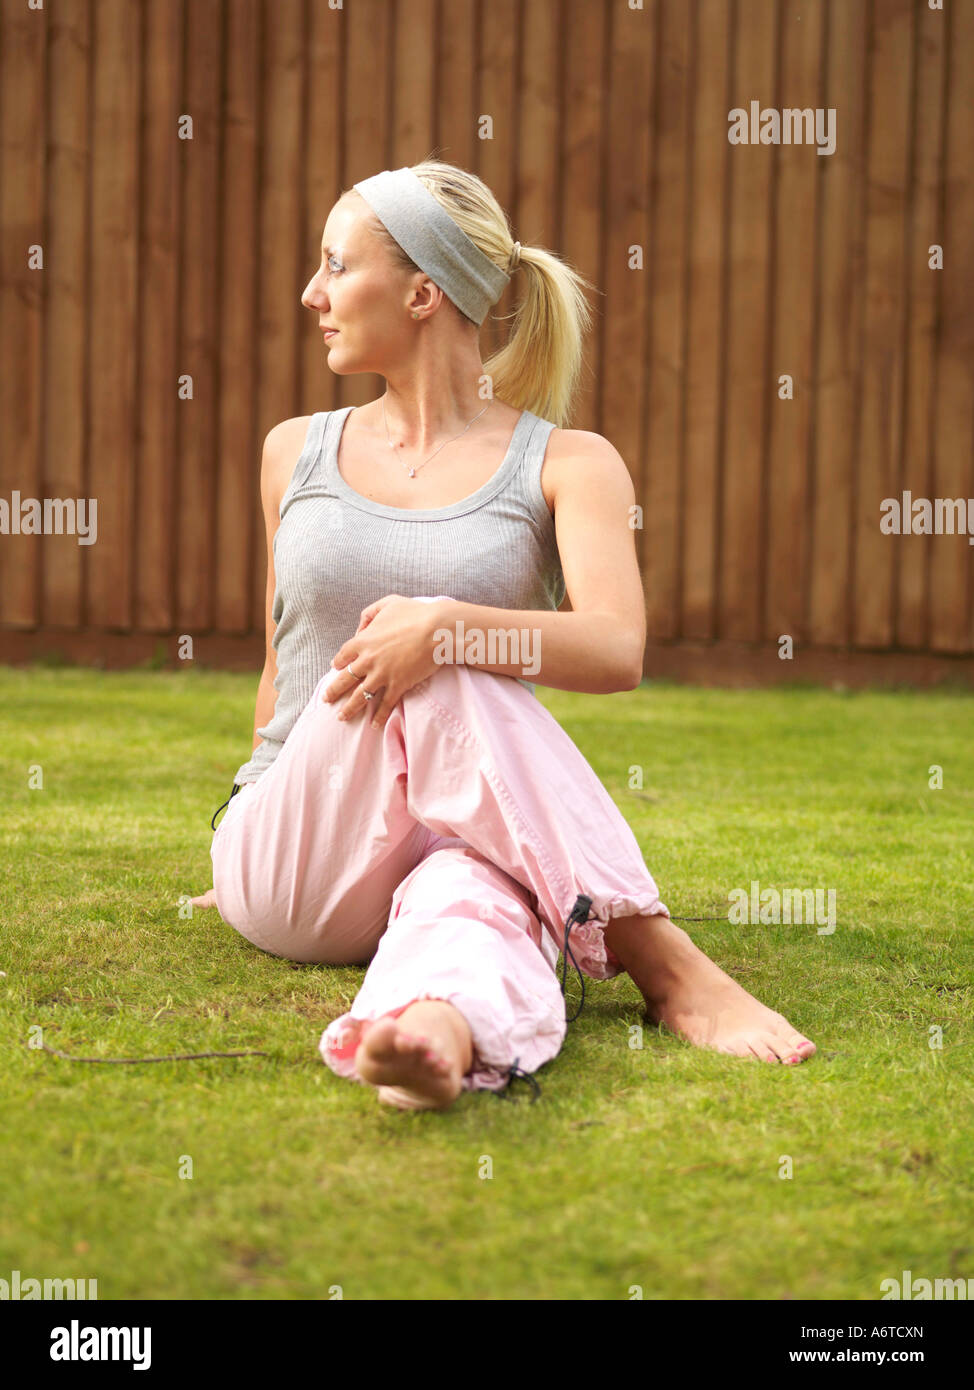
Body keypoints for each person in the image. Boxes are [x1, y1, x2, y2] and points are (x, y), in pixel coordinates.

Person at [193, 160, 815, 1111]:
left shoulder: (569, 463)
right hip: (299, 848)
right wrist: (261, 824)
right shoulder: (296, 451)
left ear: (422, 291)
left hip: (453, 838)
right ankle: (665, 964)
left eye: (335, 264)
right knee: (434, 659)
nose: (311, 293)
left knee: (477, 898)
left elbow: (617, 651)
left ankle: (430, 1041)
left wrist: (449, 629)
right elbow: (285, 670)